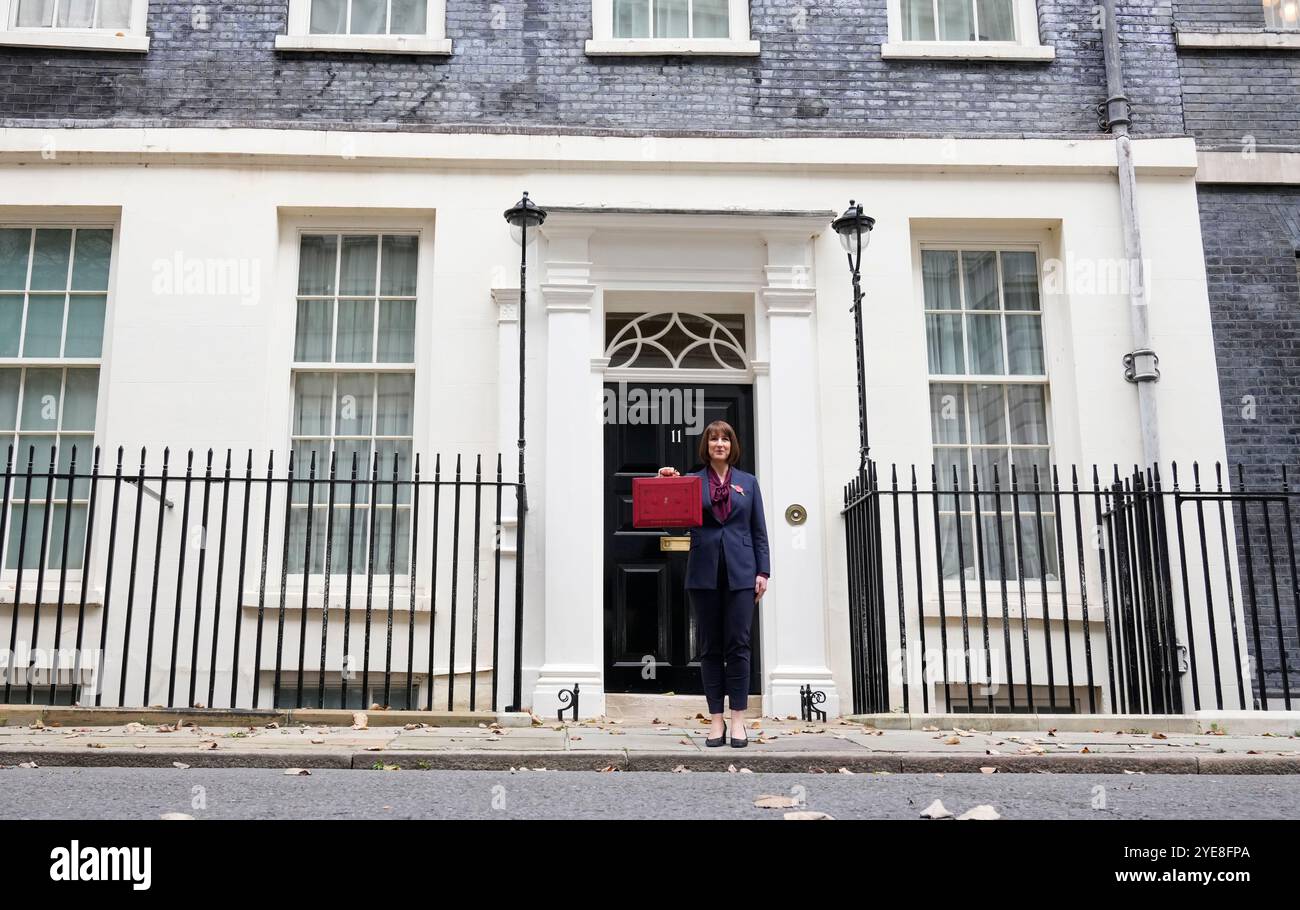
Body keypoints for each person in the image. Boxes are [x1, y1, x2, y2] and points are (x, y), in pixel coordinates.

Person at [657, 419, 770, 748]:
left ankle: (738, 720)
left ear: (733, 446)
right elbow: (672, 524)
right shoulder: (692, 481)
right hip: (704, 573)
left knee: (739, 645)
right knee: (710, 648)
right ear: (705, 446)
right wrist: (666, 486)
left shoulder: (748, 483)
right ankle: (716, 720)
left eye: (725, 439)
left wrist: (763, 572)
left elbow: (758, 531)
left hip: (742, 573)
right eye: (713, 439)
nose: (719, 443)